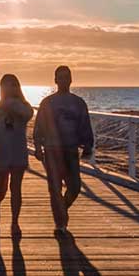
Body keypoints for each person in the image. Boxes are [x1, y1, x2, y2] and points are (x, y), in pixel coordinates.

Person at [33, 65, 93, 231]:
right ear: (55, 80)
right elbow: (39, 126)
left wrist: (88, 145)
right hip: (52, 149)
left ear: (71, 79)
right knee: (55, 187)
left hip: (71, 149)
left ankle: (62, 209)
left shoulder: (78, 103)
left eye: (66, 77)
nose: (64, 80)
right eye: (60, 77)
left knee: (75, 187)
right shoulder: (47, 102)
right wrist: (38, 146)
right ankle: (60, 223)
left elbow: (85, 125)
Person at [0, 73, 34, 229]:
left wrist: (12, 105)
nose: (9, 88)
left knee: (16, 188)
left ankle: (15, 221)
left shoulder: (24, 107)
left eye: (13, 85)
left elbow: (28, 115)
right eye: (6, 85)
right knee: (1, 188)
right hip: (1, 154)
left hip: (18, 154)